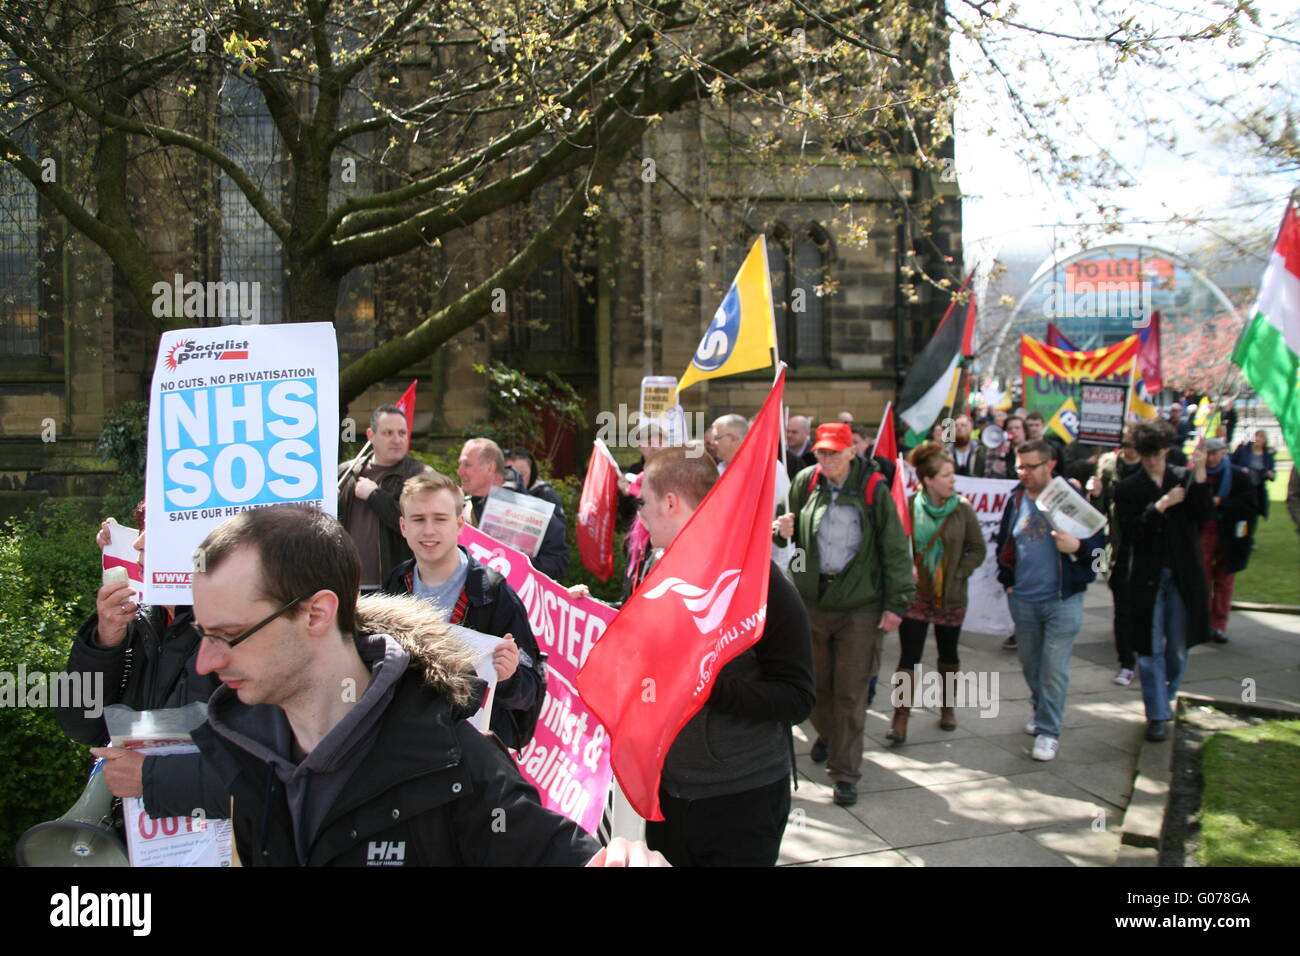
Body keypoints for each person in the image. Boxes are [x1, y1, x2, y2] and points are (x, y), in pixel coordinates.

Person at [188, 505, 665, 866]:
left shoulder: (454, 761)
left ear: (316, 614)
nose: (206, 662)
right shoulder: (242, 745)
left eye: (228, 636)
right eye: (201, 633)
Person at [633, 447, 814, 866]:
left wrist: (706, 684)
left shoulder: (763, 586)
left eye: (644, 502)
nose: (639, 513)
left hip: (741, 798)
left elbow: (798, 698)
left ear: (671, 503)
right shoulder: (656, 570)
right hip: (666, 792)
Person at [775, 422, 914, 806]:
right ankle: (831, 736)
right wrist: (780, 528)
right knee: (815, 685)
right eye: (821, 451)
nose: (827, 458)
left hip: (861, 606)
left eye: (834, 452)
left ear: (852, 451)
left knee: (850, 692)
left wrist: (896, 603)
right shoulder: (805, 482)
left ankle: (845, 773)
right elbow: (783, 529)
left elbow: (894, 547)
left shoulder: (873, 489)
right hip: (813, 602)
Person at [58, 502, 225, 818]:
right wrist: (104, 639)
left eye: (157, 530)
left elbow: (272, 781)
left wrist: (151, 779)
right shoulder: (140, 620)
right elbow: (80, 725)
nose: (138, 542)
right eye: (141, 529)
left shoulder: (245, 633)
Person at [381, 472, 544, 750]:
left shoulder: (493, 593)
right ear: (403, 526)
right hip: (408, 747)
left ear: (459, 525)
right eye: (418, 519)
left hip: (473, 758)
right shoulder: (394, 585)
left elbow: (531, 692)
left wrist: (508, 677)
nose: (429, 530)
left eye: (440, 519)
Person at [995, 439, 1105, 761]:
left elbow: (1100, 554)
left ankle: (1048, 731)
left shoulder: (1069, 498)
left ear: (1050, 465)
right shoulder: (1015, 499)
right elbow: (1003, 542)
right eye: (1020, 466)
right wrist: (1008, 581)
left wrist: (1080, 549)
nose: (1024, 472)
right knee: (1032, 665)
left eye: (1031, 466)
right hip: (1024, 600)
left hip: (1062, 600)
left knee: (1054, 668)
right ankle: (1040, 708)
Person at [1113, 421, 1212, 742]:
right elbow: (1130, 532)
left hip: (1183, 574)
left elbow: (1205, 516)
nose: (1151, 460)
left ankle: (1166, 695)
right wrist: (1160, 506)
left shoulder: (1183, 478)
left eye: (1156, 454)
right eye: (1145, 454)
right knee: (1148, 645)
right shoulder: (1129, 488)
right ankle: (1156, 713)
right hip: (1147, 577)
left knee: (1178, 646)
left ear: (1166, 450)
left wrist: (1199, 477)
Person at [887, 443, 985, 743]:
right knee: (909, 657)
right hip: (916, 595)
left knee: (948, 654)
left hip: (950, 596)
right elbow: (896, 547)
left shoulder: (963, 509)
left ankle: (947, 707)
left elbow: (977, 549)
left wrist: (957, 574)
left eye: (952, 474)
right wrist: (907, 569)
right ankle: (900, 716)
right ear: (928, 480)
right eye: (946, 475)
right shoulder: (908, 505)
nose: (952, 480)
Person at [337, 404, 432, 591]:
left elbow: (418, 525)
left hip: (395, 586)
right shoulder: (346, 473)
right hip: (347, 585)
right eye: (388, 433)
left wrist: (375, 496)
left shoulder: (419, 474)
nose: (397, 440)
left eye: (402, 433)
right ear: (371, 435)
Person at [459, 437, 569, 581]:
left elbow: (559, 561)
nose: (459, 472)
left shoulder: (534, 511)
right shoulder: (460, 508)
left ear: (490, 467)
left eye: (467, 465)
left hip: (516, 601)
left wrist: (516, 567)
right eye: (460, 464)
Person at [1088, 427, 1144, 685]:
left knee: (1142, 607)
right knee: (1122, 606)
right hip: (1118, 547)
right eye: (1125, 443)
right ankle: (1126, 661)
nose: (1128, 448)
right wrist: (1096, 494)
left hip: (1146, 547)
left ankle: (1144, 652)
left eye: (1133, 443)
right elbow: (1097, 513)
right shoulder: (1108, 467)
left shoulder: (1150, 469)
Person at [1200, 438, 1258, 644]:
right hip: (1204, 534)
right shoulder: (1197, 475)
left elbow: (1250, 505)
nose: (1211, 457)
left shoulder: (1236, 476)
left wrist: (1222, 503)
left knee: (1224, 581)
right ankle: (1202, 623)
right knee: (1202, 580)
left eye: (1215, 453)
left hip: (1230, 536)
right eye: (1208, 453)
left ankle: (1219, 624)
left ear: (1223, 453)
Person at [1231, 429, 1276, 529]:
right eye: (1257, 436)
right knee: (1240, 512)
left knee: (1253, 513)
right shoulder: (1243, 450)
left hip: (1257, 488)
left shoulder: (1267, 455)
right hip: (1242, 487)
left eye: (1261, 437)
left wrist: (1269, 474)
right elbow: (1230, 464)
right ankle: (1240, 535)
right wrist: (1241, 469)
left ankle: (1249, 537)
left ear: (1265, 440)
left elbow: (1273, 474)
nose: (1258, 439)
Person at [504, 447, 566, 518]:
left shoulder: (546, 494)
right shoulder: (499, 491)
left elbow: (560, 527)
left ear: (532, 473)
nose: (518, 480)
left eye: (522, 475)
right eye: (511, 474)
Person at [785, 414, 817, 481]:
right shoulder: (781, 455)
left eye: (794, 432)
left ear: (807, 433)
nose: (789, 435)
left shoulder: (815, 457)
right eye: (788, 431)